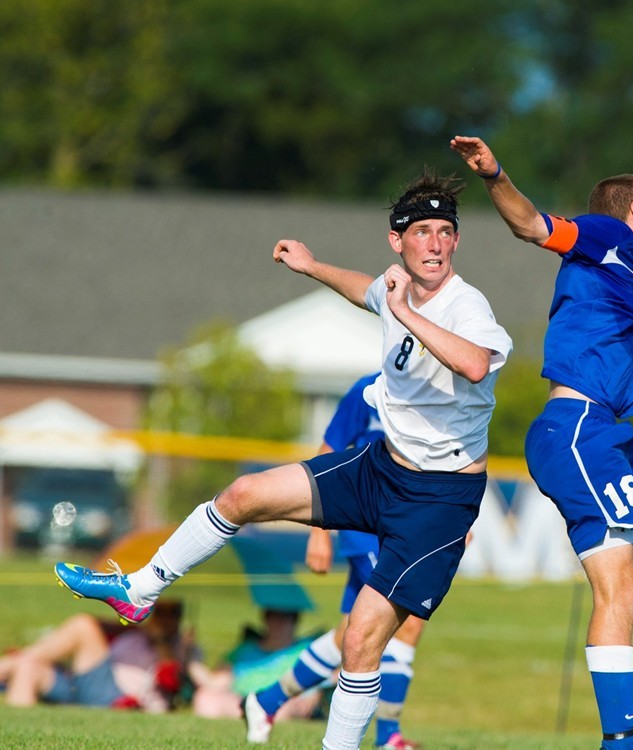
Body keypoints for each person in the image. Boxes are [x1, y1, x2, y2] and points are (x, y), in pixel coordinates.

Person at [54, 168, 512, 750]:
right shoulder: (395, 286)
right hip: (380, 469)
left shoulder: (466, 305)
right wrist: (313, 266)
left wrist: (406, 314)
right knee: (243, 495)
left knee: (362, 639)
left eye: (445, 231)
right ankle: (140, 591)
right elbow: (364, 289)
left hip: (440, 500)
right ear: (397, 240)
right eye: (422, 231)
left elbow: (474, 363)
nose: (436, 242)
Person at [451, 135, 633, 750]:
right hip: (576, 431)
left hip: (608, 434)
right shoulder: (608, 240)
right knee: (621, 588)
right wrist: (495, 173)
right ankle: (619, 741)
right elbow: (531, 225)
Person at [244, 371, 425, 749]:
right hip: (364, 525)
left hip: (407, 524)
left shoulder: (434, 392)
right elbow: (328, 457)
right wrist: (318, 533)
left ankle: (266, 700)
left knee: (352, 633)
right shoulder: (368, 389)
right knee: (403, 619)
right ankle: (389, 737)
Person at [0, 598, 202, 712]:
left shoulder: (183, 647)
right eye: (159, 612)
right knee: (28, 668)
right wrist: (141, 628)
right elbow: (103, 625)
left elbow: (171, 681)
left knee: (83, 626)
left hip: (118, 697)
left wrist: (162, 643)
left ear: (179, 618)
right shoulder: (136, 634)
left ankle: (7, 664)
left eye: (172, 614)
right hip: (84, 682)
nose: (165, 620)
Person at [192, 608, 323, 723]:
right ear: (266, 618)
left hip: (283, 701)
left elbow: (330, 672)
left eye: (284, 618)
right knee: (205, 698)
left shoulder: (306, 648)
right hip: (241, 701)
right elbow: (215, 681)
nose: (278, 623)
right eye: (273, 617)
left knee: (281, 709)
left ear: (294, 621)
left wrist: (316, 692)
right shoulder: (244, 650)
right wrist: (192, 658)